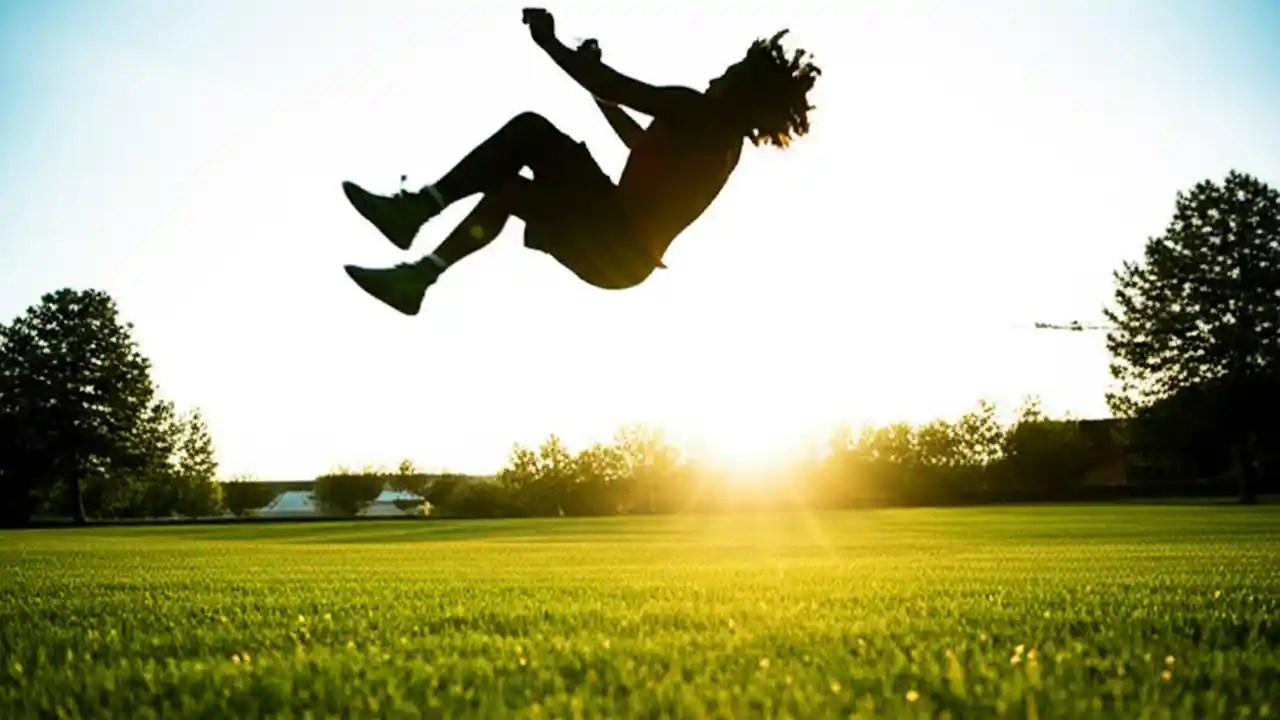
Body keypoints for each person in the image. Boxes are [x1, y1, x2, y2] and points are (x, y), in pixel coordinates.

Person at [341, 8, 821, 316]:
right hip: (621, 252)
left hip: (614, 237)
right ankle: (418, 272)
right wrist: (597, 88)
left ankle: (416, 217)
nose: (717, 76)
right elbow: (638, 142)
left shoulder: (696, 110)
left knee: (529, 132)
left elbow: (616, 86)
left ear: (742, 92)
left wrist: (551, 44)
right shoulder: (720, 142)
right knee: (512, 190)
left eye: (729, 74)